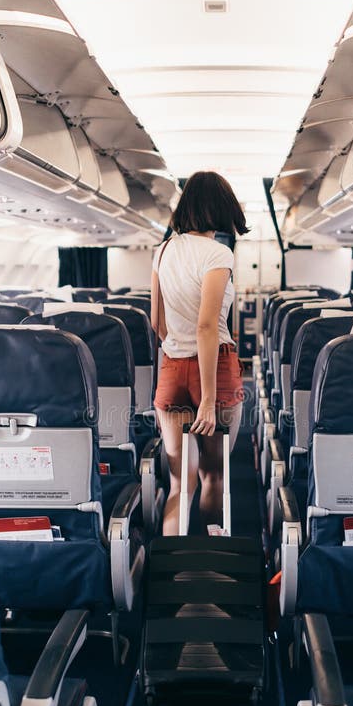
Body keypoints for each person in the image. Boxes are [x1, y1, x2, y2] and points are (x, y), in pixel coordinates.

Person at [151, 170, 248, 535]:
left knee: (179, 482)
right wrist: (207, 399)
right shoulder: (218, 254)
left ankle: (172, 573)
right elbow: (207, 326)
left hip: (172, 369)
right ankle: (210, 564)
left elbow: (156, 321)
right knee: (213, 474)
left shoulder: (162, 251)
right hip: (217, 371)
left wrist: (177, 346)